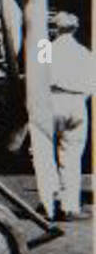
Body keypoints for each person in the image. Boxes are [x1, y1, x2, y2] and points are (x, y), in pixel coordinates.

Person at [46, 12, 93, 220]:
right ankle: (69, 206)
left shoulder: (45, 49)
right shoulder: (85, 52)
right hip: (76, 102)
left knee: (45, 153)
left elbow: (36, 77)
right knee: (71, 156)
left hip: (52, 100)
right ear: (75, 29)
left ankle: (49, 201)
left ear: (54, 28)